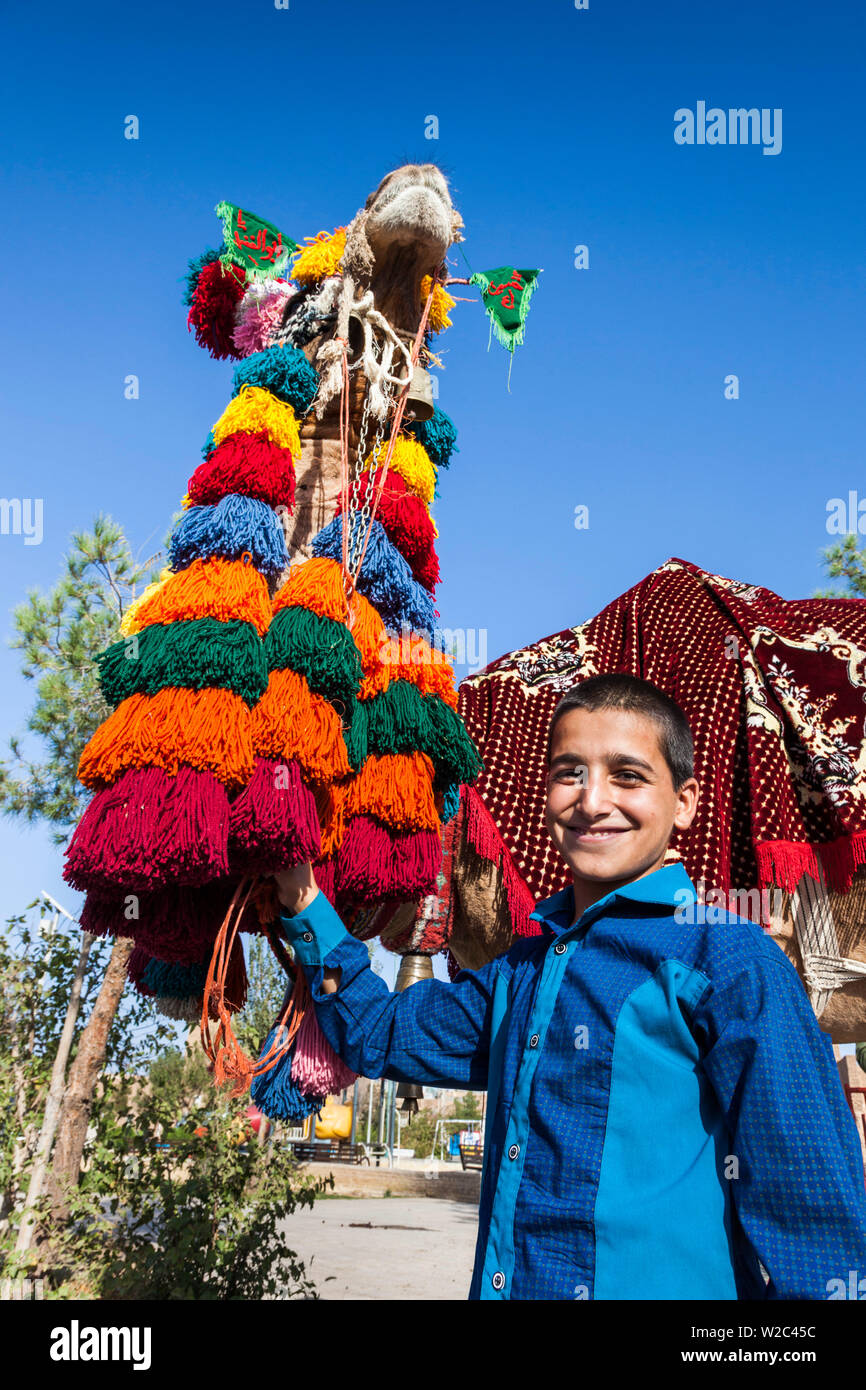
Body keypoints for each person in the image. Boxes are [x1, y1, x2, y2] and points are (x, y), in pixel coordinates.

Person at [273, 673, 866, 1300]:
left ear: (684, 802)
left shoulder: (731, 963)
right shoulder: (519, 974)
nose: (591, 800)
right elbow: (378, 1033)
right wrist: (301, 896)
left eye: (628, 776)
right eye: (569, 772)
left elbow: (817, 1228)